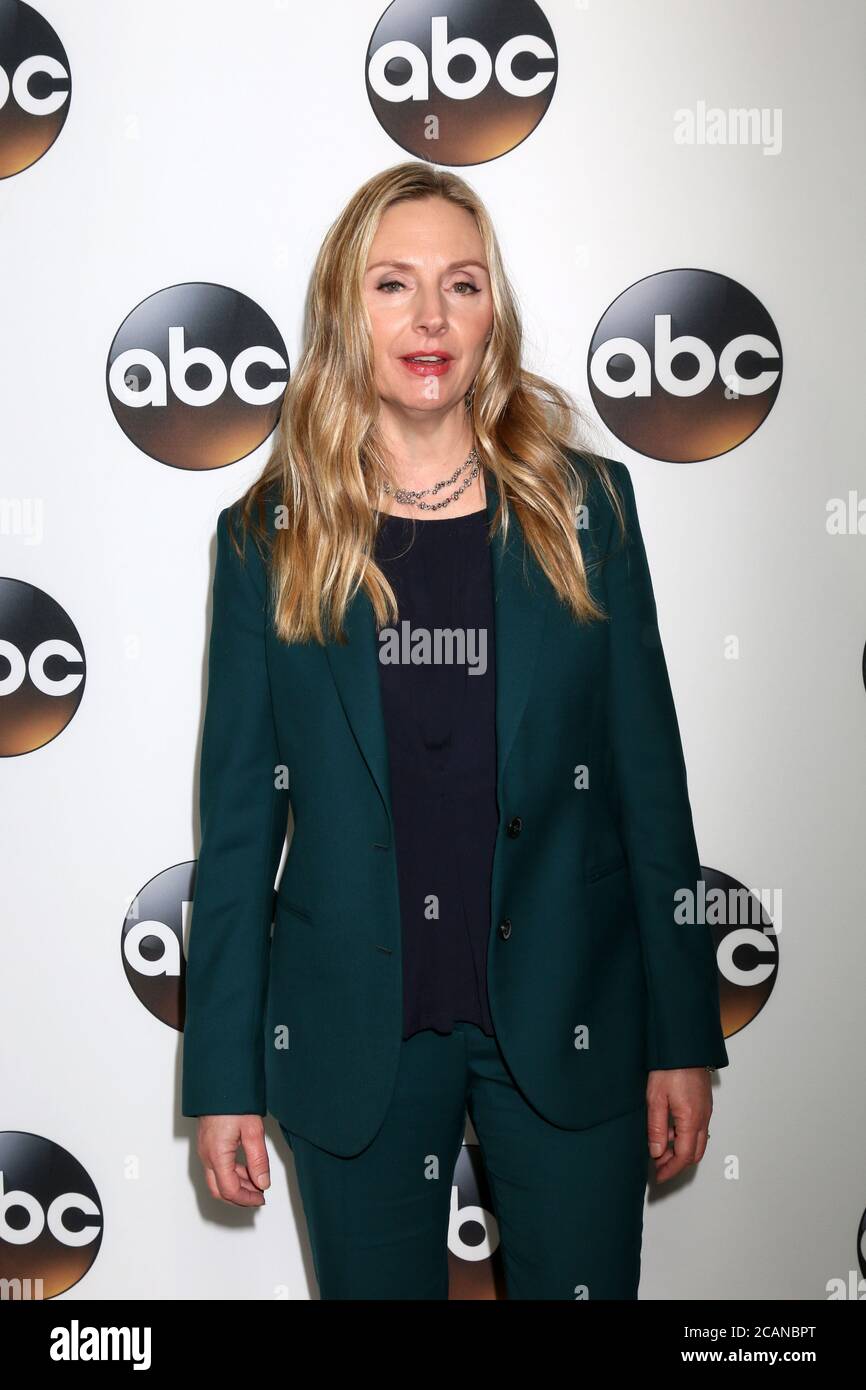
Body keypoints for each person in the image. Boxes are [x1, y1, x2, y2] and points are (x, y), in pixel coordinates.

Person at [181, 160, 729, 1300]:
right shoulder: (266, 539)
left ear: (493, 312)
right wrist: (221, 1074)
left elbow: (649, 786)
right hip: (352, 1031)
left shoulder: (586, 511)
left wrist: (683, 1032)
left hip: (569, 1012)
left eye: (461, 284)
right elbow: (237, 834)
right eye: (394, 284)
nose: (430, 318)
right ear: (348, 310)